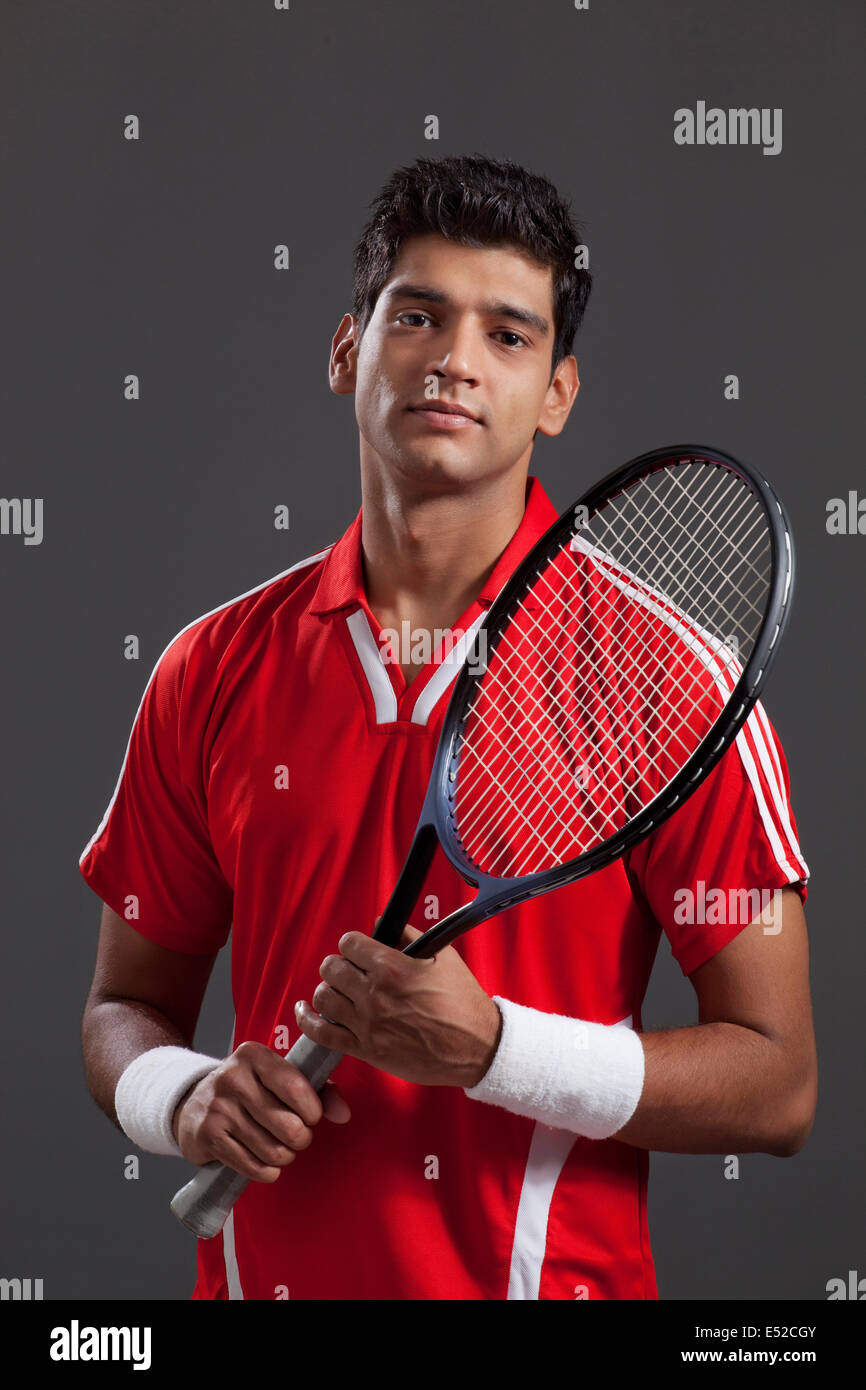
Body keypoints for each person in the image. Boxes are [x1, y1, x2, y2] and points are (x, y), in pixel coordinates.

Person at [80, 153, 816, 1301]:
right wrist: (179, 1095)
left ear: (557, 394)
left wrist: (494, 1052)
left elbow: (776, 1086)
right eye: (417, 315)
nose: (455, 360)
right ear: (347, 350)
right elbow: (124, 1006)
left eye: (507, 334)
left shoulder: (671, 679)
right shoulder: (208, 667)